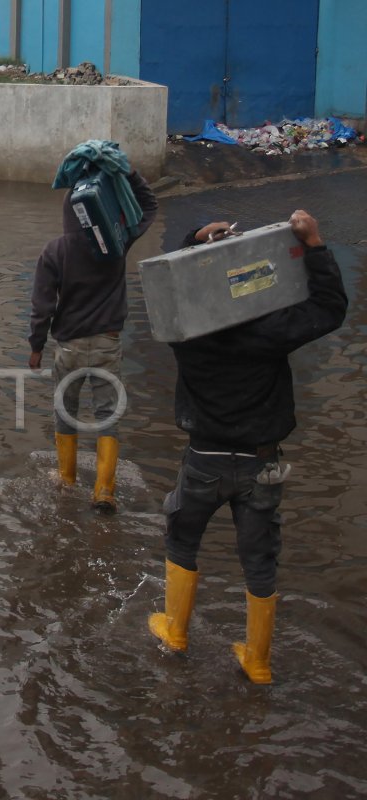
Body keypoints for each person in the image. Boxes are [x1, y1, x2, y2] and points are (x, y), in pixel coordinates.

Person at [148, 210, 346, 685]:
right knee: (259, 559)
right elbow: (331, 306)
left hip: (204, 460)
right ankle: (257, 661)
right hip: (261, 463)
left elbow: (171, 276)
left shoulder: (185, 336)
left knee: (182, 537)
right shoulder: (271, 331)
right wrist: (314, 244)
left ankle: (176, 631)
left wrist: (196, 237)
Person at [27, 146, 158, 510]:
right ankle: (104, 490)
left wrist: (36, 346)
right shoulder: (115, 245)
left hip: (68, 346)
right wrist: (127, 173)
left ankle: (67, 480)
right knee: (107, 416)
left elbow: (42, 305)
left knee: (64, 411)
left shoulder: (54, 251)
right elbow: (149, 207)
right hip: (107, 344)